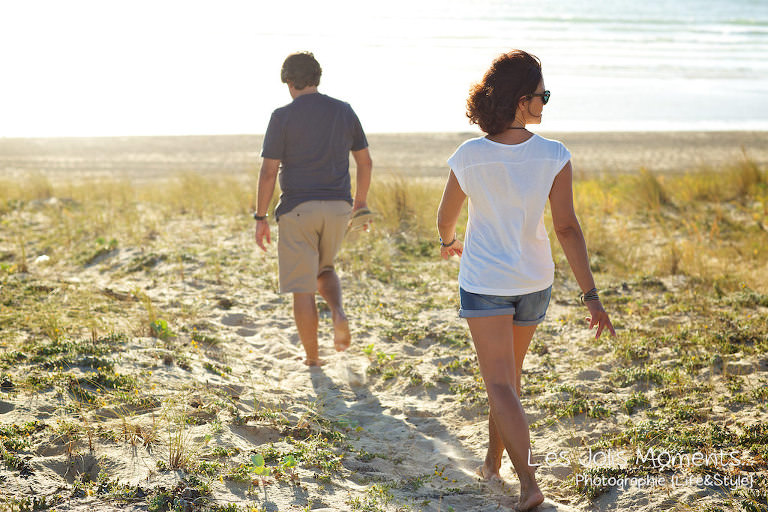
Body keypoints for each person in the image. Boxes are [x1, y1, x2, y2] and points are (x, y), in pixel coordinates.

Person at [436, 50, 615, 511]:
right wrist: (591, 295)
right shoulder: (554, 155)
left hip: (485, 280)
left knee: (499, 382)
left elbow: (445, 218)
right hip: (535, 280)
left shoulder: (469, 155)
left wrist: (448, 241)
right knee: (507, 380)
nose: (545, 103)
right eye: (543, 95)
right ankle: (493, 463)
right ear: (522, 101)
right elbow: (567, 228)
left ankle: (530, 483)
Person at [255, 51, 373, 367]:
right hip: (338, 207)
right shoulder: (344, 111)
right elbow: (365, 161)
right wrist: (359, 204)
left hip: (297, 209)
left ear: (289, 82)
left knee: (302, 288)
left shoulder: (282, 116)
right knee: (325, 268)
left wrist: (260, 216)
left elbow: (268, 171)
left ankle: (312, 358)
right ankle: (338, 312)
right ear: (317, 78)